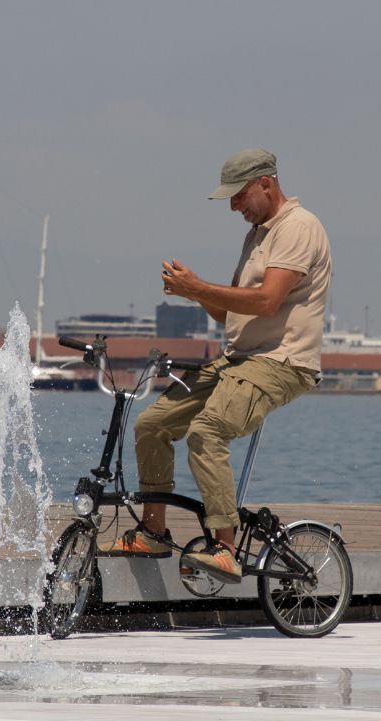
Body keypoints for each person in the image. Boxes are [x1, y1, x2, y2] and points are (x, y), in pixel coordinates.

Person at [97, 148, 332, 583]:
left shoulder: (298, 227)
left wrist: (200, 286)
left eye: (239, 195)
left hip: (281, 362)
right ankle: (153, 531)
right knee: (152, 425)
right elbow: (231, 315)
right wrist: (195, 293)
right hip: (237, 360)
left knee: (207, 432)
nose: (233, 206)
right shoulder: (259, 234)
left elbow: (267, 301)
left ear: (267, 183)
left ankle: (225, 548)